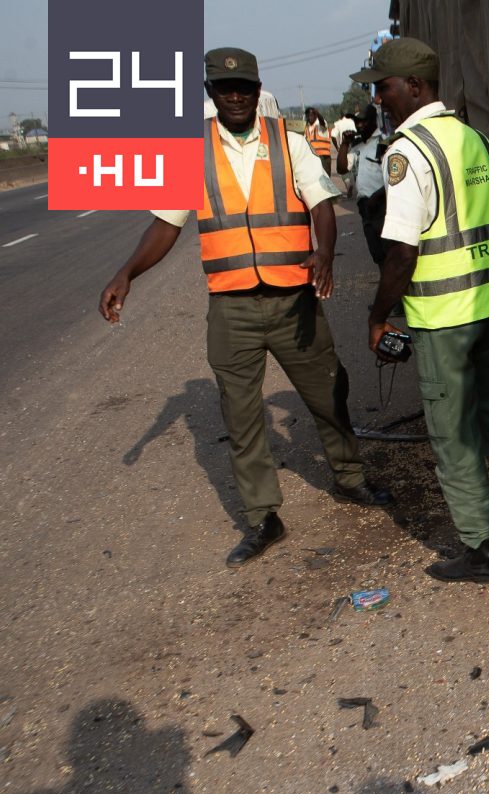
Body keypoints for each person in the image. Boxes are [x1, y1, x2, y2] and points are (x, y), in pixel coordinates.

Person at [98, 47, 394, 568]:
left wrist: (324, 251)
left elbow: (321, 203)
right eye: (223, 88)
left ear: (258, 90)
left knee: (328, 391)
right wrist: (126, 273)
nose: (235, 96)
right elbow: (166, 224)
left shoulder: (290, 142)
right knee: (241, 415)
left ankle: (350, 478)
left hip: (292, 301)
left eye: (244, 87)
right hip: (231, 308)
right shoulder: (191, 152)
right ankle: (263, 517)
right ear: (210, 93)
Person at [351, 38, 489, 584]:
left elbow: (402, 253)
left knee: (452, 433)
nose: (376, 95)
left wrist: (377, 316)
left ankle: (482, 549)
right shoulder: (475, 140)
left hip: (446, 316)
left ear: (414, 86)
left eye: (383, 85)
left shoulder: (407, 151)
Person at [338, 104, 388, 266]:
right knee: (377, 254)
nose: (359, 125)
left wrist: (378, 196)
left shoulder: (383, 143)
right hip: (365, 207)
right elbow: (341, 168)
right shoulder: (357, 146)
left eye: (363, 121)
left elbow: (393, 178)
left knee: (389, 253)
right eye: (356, 122)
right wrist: (345, 144)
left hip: (382, 205)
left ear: (373, 121)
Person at [330, 113, 358, 198]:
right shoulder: (353, 121)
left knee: (344, 170)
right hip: (356, 146)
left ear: (341, 117)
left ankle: (348, 185)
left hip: (345, 148)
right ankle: (359, 188)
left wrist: (338, 148)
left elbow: (333, 136)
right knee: (356, 168)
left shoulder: (338, 123)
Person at [304, 107, 333, 176]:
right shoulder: (306, 129)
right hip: (312, 158)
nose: (309, 117)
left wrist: (318, 114)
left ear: (315, 116)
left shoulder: (320, 125)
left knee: (325, 178)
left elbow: (322, 122)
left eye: (311, 115)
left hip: (323, 157)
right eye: (308, 116)